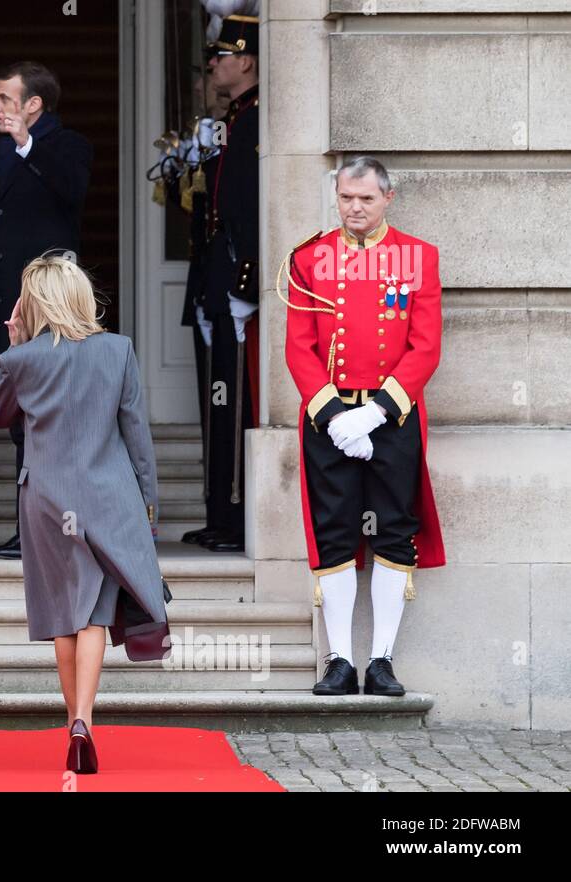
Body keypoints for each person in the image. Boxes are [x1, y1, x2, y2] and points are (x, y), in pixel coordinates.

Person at [0, 254, 170, 774]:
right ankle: (84, 720)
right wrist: (148, 508)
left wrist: (15, 346)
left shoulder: (23, 360)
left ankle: (73, 722)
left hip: (45, 499)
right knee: (94, 614)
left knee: (65, 614)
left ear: (33, 305)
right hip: (109, 500)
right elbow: (137, 435)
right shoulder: (117, 350)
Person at [280, 155, 445, 697]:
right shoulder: (309, 259)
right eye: (346, 197)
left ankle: (381, 660)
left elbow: (425, 348)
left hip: (392, 418)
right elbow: (298, 347)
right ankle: (340, 660)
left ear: (387, 199)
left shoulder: (418, 257)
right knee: (334, 533)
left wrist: (374, 414)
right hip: (328, 420)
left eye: (366, 199)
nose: (354, 208)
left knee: (394, 532)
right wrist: (334, 417)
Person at [0, 61, 93, 560]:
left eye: (4, 98)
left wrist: (27, 146)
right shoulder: (6, 150)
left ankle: (51, 531)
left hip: (49, 309)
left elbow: (71, 193)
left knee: (49, 421)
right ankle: (29, 530)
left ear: (33, 105)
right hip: (7, 306)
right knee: (20, 421)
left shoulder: (67, 146)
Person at [183, 13, 260, 553]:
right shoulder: (233, 119)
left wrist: (245, 279)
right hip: (214, 276)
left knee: (234, 401)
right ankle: (218, 512)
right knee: (216, 400)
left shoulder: (256, 120)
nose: (213, 64)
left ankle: (235, 517)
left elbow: (254, 209)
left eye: (222, 56)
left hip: (235, 276)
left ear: (247, 61)